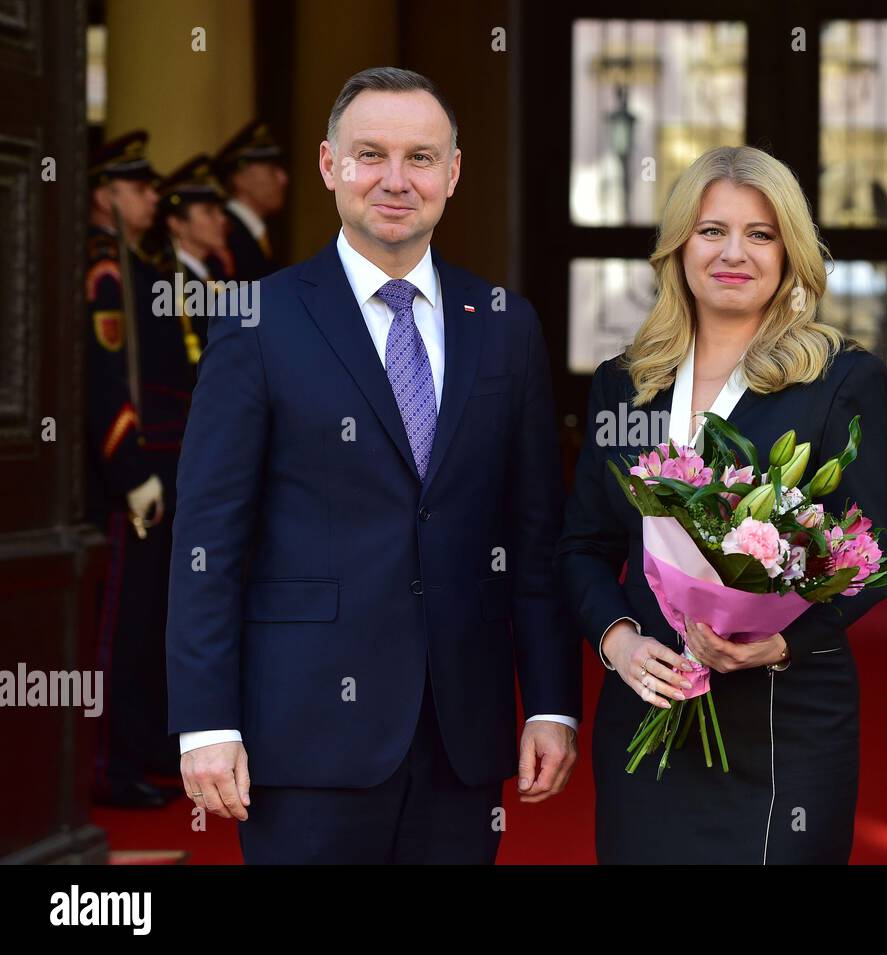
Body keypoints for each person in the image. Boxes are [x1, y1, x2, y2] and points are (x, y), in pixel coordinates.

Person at [167, 67, 581, 862]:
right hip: (303, 735)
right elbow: (207, 542)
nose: (396, 180)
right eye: (370, 155)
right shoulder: (257, 322)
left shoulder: (504, 326)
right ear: (329, 166)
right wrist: (207, 721)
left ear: (453, 173)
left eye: (421, 157)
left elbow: (535, 536)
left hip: (462, 734)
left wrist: (552, 703)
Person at [557, 145, 887, 863]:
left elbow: (872, 551)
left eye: (760, 233)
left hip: (787, 719)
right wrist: (619, 643)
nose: (733, 253)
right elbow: (582, 545)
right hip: (648, 707)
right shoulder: (627, 384)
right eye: (712, 231)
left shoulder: (840, 379)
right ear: (680, 245)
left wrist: (780, 641)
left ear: (790, 251)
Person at [85, 130, 188, 806]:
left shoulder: (135, 263)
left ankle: (143, 744)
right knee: (118, 629)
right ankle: (107, 767)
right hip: (127, 481)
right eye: (139, 187)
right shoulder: (103, 271)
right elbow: (103, 378)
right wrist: (131, 469)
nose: (153, 198)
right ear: (104, 195)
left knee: (152, 621)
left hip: (162, 467)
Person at [152, 153, 232, 354]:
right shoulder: (169, 278)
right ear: (177, 224)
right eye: (208, 212)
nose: (222, 219)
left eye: (219, 211)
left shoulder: (214, 270)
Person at [212, 119, 288, 280]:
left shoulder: (257, 233)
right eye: (271, 170)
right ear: (240, 179)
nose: (283, 178)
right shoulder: (225, 234)